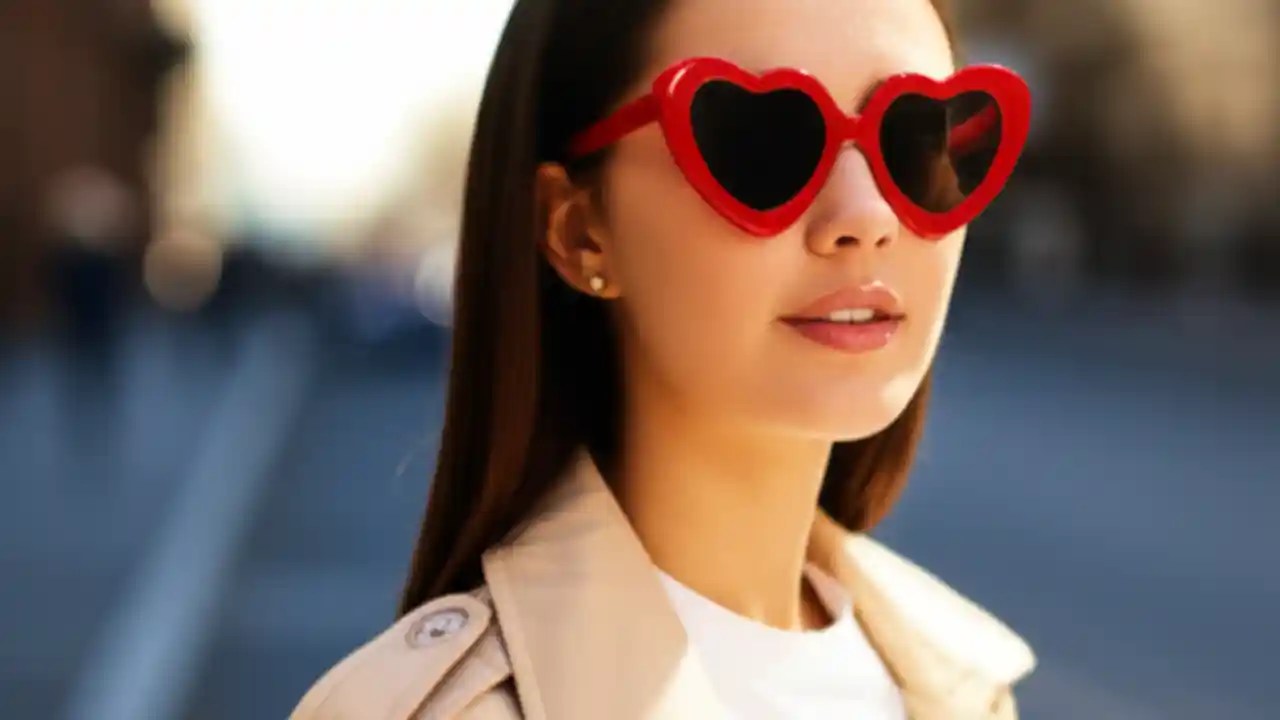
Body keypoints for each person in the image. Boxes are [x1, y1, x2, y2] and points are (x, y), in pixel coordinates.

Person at [291, 0, 1036, 717]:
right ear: (580, 231)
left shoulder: (959, 687)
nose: (867, 216)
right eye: (762, 140)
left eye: (916, 141)